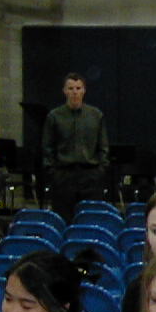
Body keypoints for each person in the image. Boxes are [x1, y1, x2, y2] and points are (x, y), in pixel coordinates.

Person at [41, 73, 109, 223]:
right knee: (64, 221)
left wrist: (100, 171)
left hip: (90, 176)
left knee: (90, 221)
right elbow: (47, 148)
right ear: (64, 91)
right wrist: (54, 174)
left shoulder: (96, 115)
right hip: (64, 176)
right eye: (71, 88)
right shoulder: (54, 116)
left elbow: (103, 147)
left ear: (84, 90)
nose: (75, 92)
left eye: (78, 88)